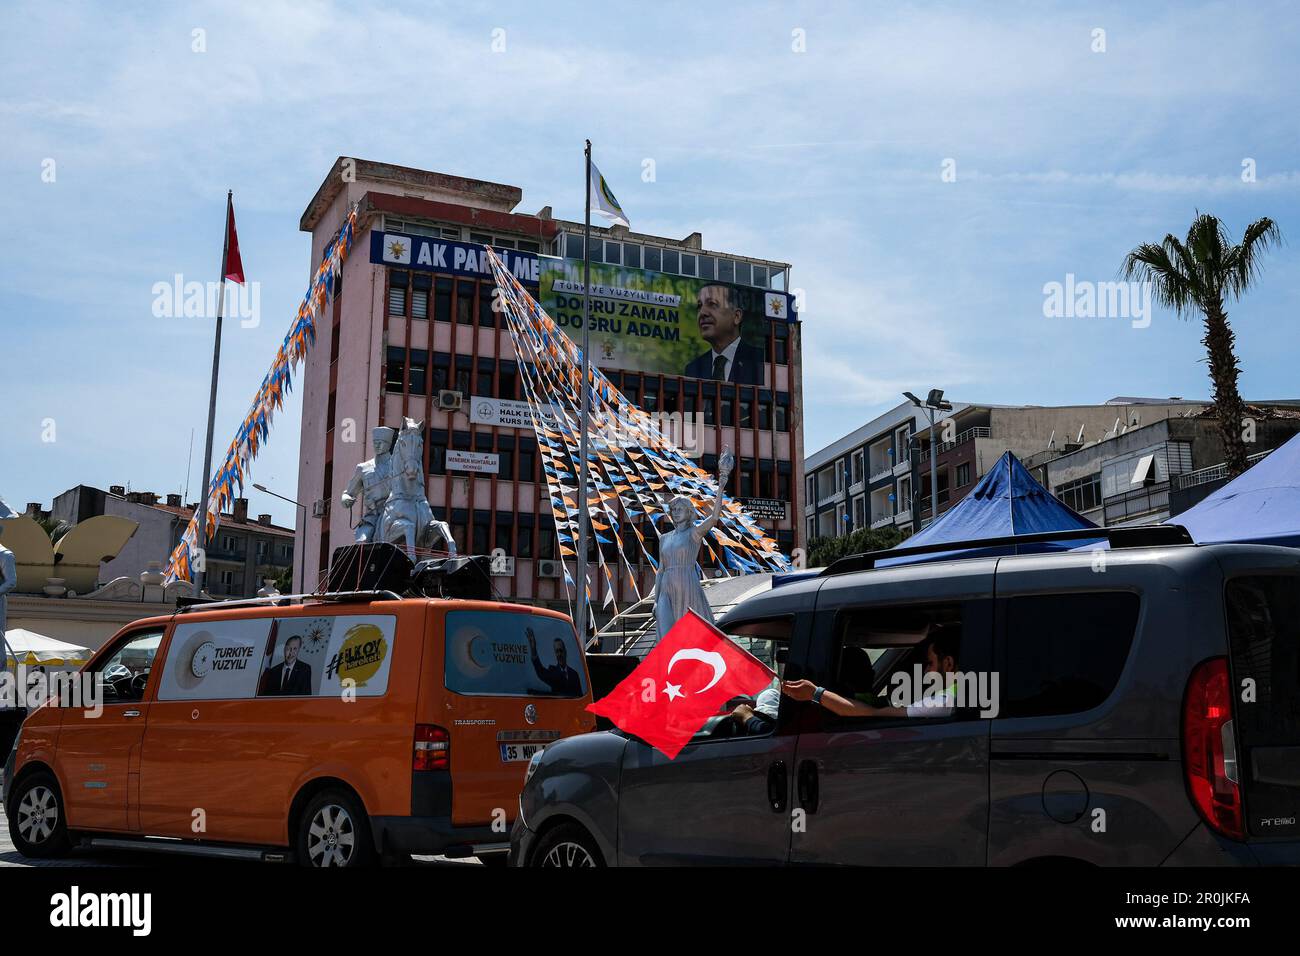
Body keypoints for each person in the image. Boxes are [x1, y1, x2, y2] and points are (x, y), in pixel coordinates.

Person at [783, 625, 961, 719]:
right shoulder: (966, 692)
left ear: (948, 663)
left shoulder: (943, 701)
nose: (926, 670)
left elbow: (873, 714)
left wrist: (816, 693)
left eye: (930, 663)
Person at [652, 450, 734, 644]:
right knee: (665, 635)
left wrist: (721, 485)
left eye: (680, 509)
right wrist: (655, 600)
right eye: (673, 509)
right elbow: (660, 571)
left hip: (686, 584)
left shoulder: (694, 534)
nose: (676, 512)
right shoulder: (664, 538)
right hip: (666, 588)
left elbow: (714, 518)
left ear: (689, 513)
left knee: (688, 635)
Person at [683, 284, 765, 385]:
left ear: (736, 316)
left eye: (712, 304)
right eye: (699, 306)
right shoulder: (693, 368)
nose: (702, 313)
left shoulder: (760, 361)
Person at [340, 426, 397, 542]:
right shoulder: (363, 468)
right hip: (373, 517)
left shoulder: (396, 466)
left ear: (389, 444)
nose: (377, 445)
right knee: (361, 541)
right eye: (375, 442)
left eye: (381, 442)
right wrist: (345, 499)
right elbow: (349, 493)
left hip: (394, 515)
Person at [526, 627, 582, 696]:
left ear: (565, 652)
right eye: (557, 651)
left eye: (561, 651)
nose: (559, 654)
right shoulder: (553, 671)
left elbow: (580, 696)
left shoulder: (574, 674)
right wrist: (533, 649)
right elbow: (540, 672)